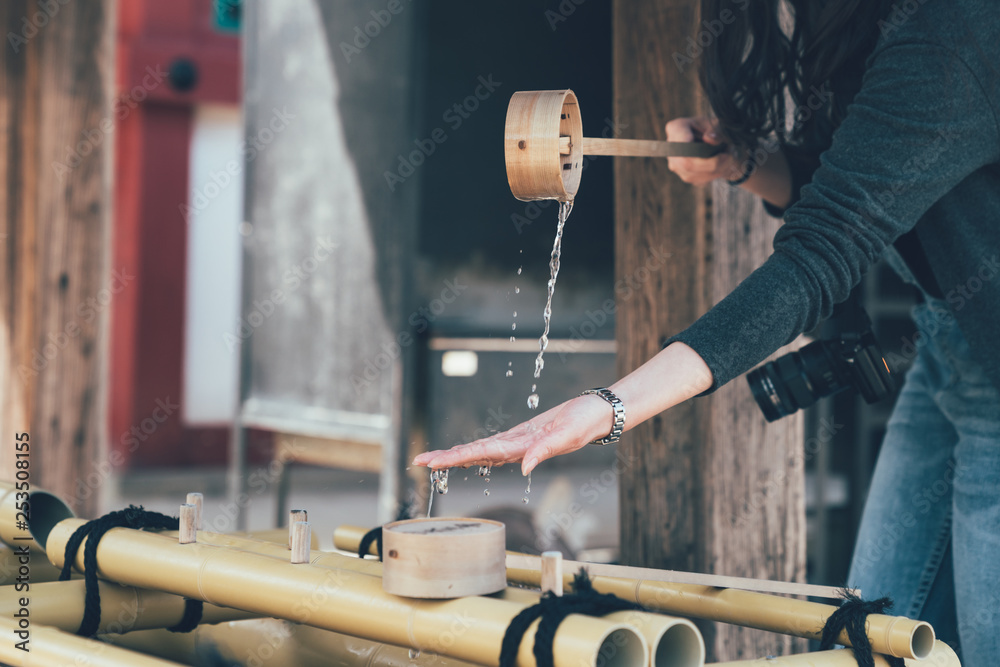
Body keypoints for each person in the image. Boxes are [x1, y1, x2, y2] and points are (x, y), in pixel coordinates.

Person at [414, 0, 1000, 661]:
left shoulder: (953, 31)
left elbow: (823, 252)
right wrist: (744, 165)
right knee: (875, 641)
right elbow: (875, 183)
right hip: (954, 344)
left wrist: (607, 405)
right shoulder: (862, 26)